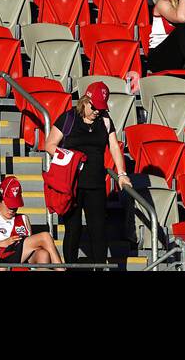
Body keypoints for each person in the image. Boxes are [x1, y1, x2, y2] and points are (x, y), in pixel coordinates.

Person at [46, 81, 128, 264]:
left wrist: (122, 173)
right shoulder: (69, 118)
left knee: (98, 230)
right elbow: (49, 145)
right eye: (95, 107)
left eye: (101, 108)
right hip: (72, 184)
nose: (97, 111)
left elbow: (114, 146)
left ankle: (99, 267)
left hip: (96, 184)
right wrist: (72, 158)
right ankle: (70, 267)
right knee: (73, 229)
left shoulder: (105, 120)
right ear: (85, 100)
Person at [0, 176, 63, 267]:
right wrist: (2, 243)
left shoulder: (23, 218)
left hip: (21, 257)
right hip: (1, 257)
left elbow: (31, 247)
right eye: (9, 205)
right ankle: (61, 269)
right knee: (45, 236)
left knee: (43, 254)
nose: (12, 209)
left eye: (15, 205)